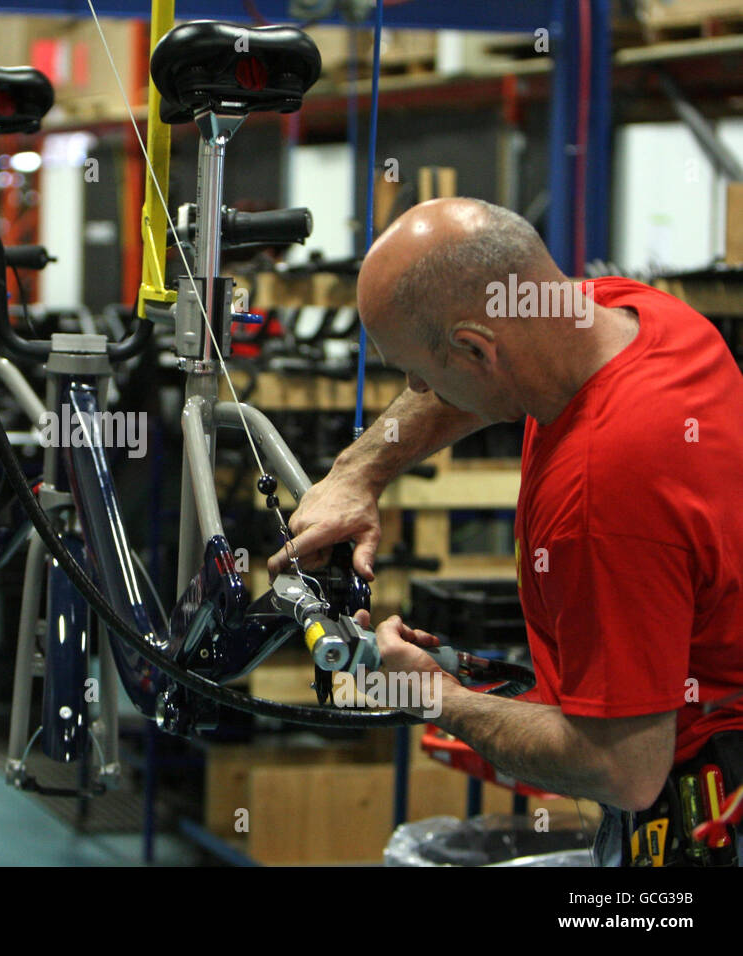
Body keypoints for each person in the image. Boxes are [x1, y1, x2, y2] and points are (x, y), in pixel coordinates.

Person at [268, 197, 743, 866]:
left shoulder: (601, 495)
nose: (415, 387)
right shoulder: (636, 316)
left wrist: (435, 697)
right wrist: (358, 472)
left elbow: (624, 768)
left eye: (420, 373)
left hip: (702, 799)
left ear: (475, 349)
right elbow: (493, 368)